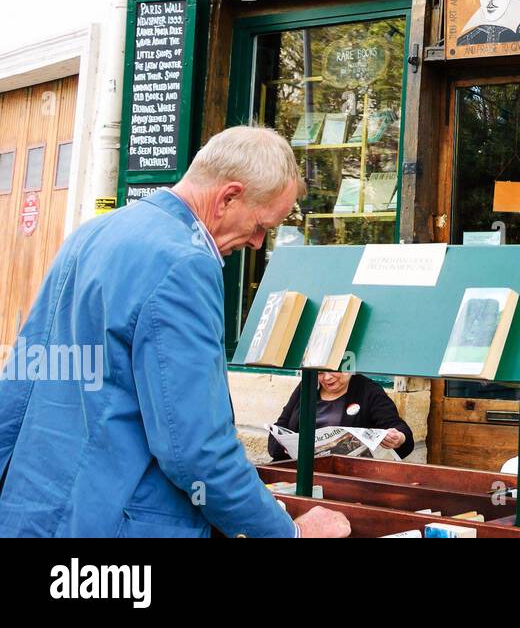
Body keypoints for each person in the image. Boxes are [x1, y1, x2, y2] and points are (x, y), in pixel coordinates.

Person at [0, 126, 349, 538]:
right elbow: (196, 453)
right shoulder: (186, 263)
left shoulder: (91, 233)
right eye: (261, 224)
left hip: (31, 513)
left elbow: (19, 386)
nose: (258, 243)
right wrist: (288, 533)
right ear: (228, 197)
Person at [267, 371, 415, 462]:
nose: (327, 378)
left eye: (333, 371)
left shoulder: (368, 391)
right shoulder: (307, 386)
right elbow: (280, 428)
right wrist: (285, 446)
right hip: (299, 473)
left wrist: (398, 438)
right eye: (319, 373)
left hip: (345, 479)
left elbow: (401, 431)